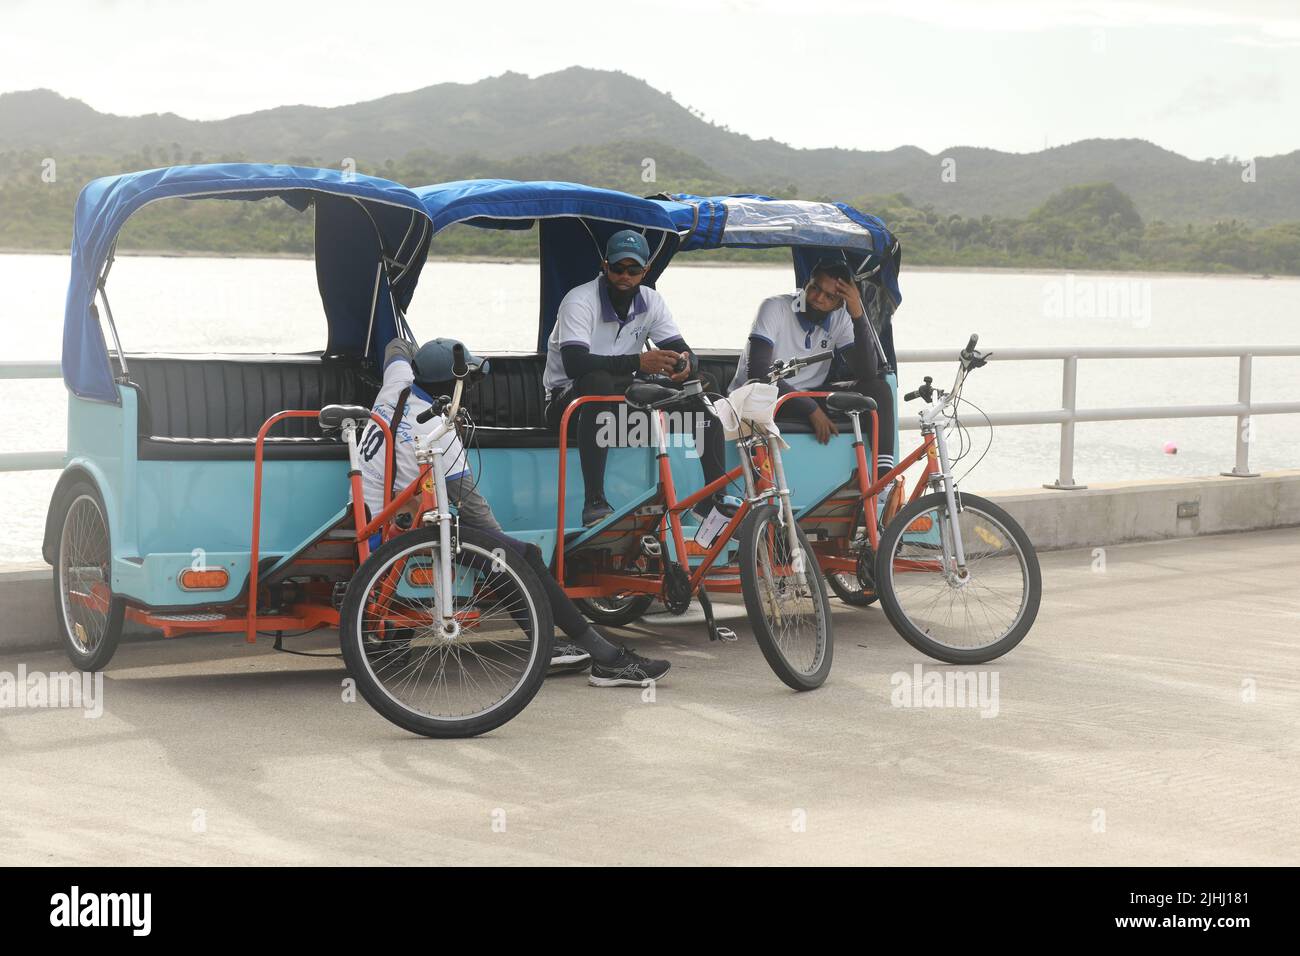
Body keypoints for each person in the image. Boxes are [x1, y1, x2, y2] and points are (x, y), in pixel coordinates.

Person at [358, 336, 670, 688]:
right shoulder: (436, 431)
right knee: (522, 559)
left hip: (371, 518)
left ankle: (548, 644)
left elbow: (395, 346)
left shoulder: (396, 386)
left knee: (510, 556)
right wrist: (509, 550)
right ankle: (605, 658)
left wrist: (417, 353)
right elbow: (475, 509)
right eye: (468, 381)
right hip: (401, 533)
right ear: (453, 386)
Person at [543, 229, 732, 526]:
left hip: (620, 397)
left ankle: (714, 499)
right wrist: (640, 361)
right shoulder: (579, 301)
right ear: (605, 266)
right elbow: (575, 364)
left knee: (702, 385)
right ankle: (594, 501)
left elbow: (684, 351)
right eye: (618, 268)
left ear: (644, 271)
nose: (624, 276)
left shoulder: (651, 301)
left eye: (633, 270)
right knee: (598, 383)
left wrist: (684, 365)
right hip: (565, 404)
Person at [729, 259, 896, 480]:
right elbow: (759, 373)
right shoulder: (775, 307)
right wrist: (809, 408)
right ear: (806, 284)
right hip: (759, 396)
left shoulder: (841, 318)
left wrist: (858, 314)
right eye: (815, 288)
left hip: (808, 394)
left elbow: (866, 373)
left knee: (879, 389)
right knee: (765, 389)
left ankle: (884, 482)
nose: (818, 298)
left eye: (830, 297)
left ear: (839, 303)